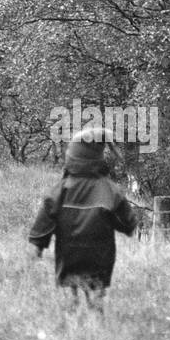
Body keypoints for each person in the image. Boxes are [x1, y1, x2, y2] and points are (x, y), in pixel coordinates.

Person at [27, 125, 138, 315]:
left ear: (73, 157)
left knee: (70, 304)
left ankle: (73, 335)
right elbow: (129, 225)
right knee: (96, 304)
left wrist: (36, 251)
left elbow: (40, 231)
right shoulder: (110, 191)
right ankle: (95, 335)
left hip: (68, 260)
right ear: (97, 158)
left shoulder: (59, 191)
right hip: (99, 261)